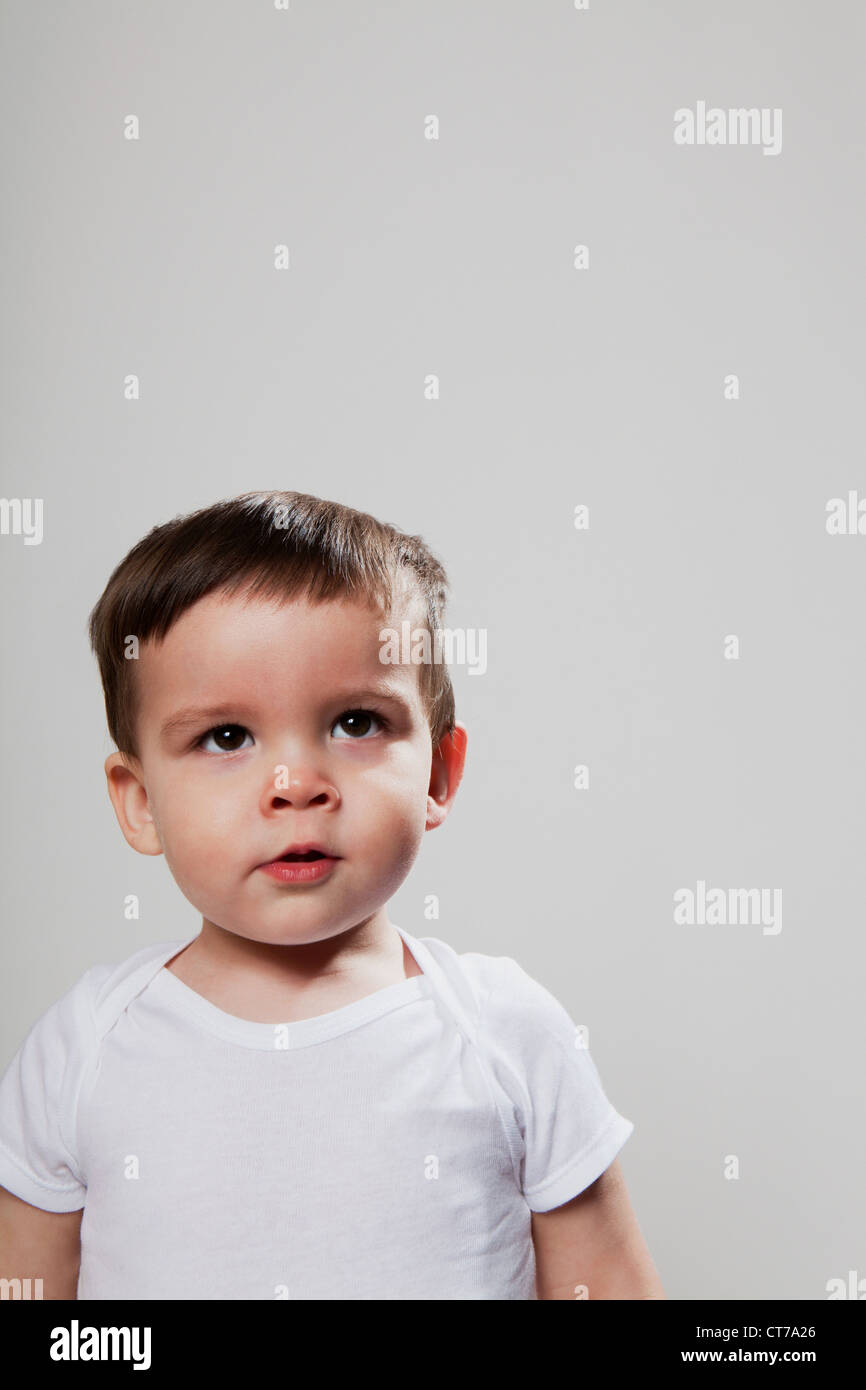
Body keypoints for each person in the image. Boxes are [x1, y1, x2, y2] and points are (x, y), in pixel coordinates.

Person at [0, 489, 664, 1300]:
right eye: (227, 737)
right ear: (140, 802)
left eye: (355, 723)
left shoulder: (507, 1035)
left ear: (439, 773)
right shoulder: (83, 1048)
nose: (296, 784)